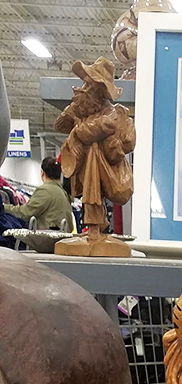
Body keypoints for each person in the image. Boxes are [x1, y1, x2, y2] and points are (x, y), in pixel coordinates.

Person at [55, 57, 135, 246]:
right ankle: (93, 227)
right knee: (90, 159)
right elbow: (59, 124)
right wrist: (73, 109)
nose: (85, 87)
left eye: (90, 84)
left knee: (93, 151)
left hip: (109, 172)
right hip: (91, 170)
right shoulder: (85, 110)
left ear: (100, 90)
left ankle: (94, 227)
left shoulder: (112, 113)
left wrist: (77, 131)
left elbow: (96, 130)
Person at [3, 157, 74, 231]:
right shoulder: (64, 192)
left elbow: (25, 213)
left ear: (42, 173)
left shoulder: (45, 190)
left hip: (49, 239)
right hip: (62, 238)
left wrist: (4, 207)